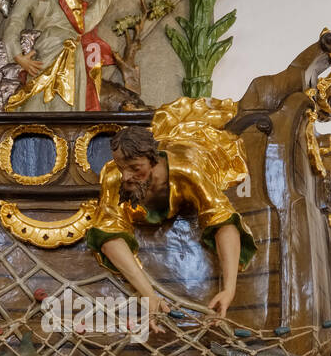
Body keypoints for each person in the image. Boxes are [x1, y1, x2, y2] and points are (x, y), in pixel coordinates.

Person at [86, 125, 256, 324]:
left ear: (153, 161)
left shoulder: (187, 172)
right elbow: (108, 235)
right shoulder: (113, 176)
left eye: (134, 168)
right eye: (121, 167)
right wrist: (148, 294)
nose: (125, 176)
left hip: (194, 152)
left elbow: (223, 221)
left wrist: (229, 289)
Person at [1, 0, 111, 112]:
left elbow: (84, 24)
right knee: (32, 107)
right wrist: (19, 57)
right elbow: (13, 26)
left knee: (64, 106)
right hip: (43, 53)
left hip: (70, 53)